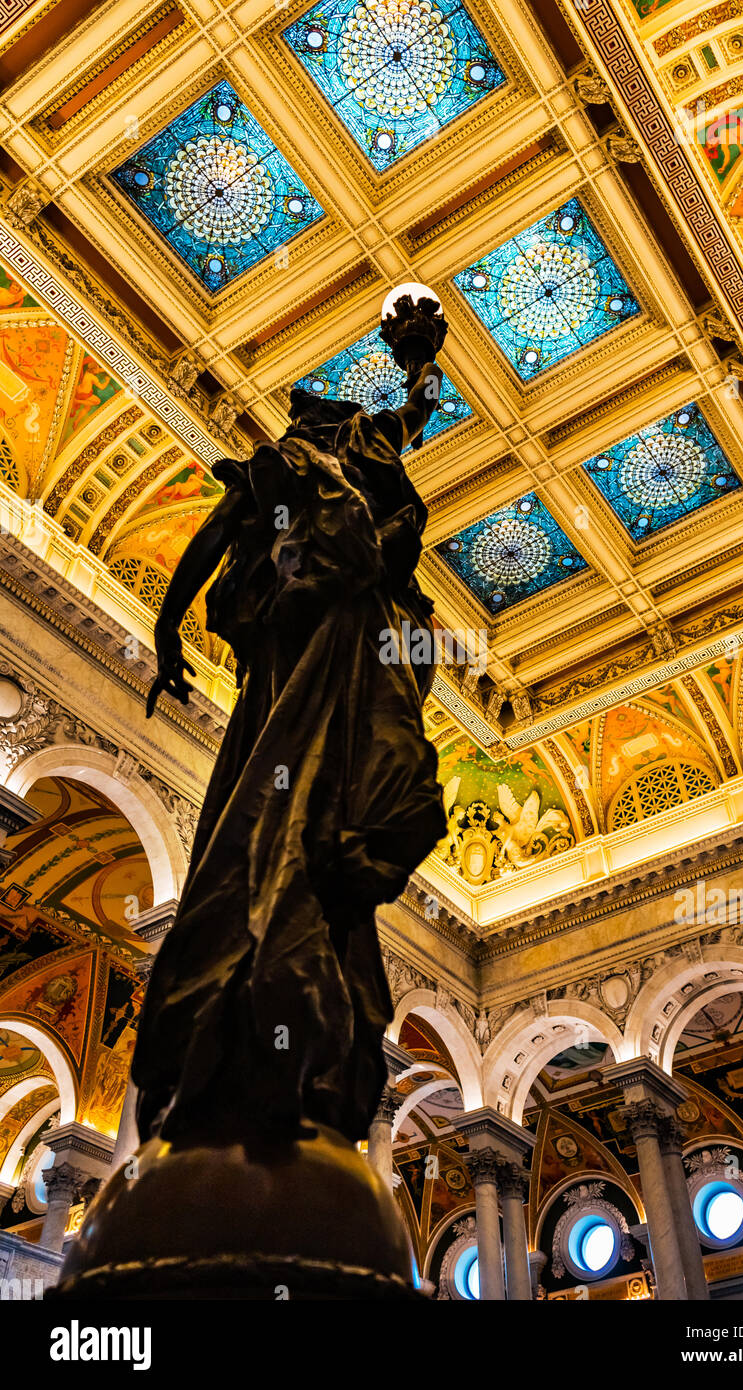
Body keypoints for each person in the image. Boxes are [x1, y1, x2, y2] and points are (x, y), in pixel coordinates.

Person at [131, 356, 447, 1146]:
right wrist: (166, 630)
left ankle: (293, 958)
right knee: (276, 809)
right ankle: (260, 981)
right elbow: (215, 536)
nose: (330, 432)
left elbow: (413, 417)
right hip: (292, 654)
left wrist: (423, 365)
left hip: (337, 646)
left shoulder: (342, 463)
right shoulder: (287, 471)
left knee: (322, 800)